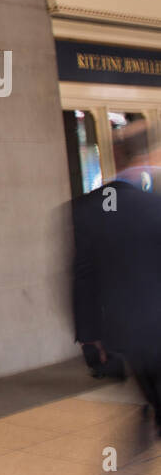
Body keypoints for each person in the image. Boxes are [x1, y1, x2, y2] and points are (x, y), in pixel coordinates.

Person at [71, 120, 161, 433]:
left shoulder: (87, 209)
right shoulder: (156, 204)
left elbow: (82, 279)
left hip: (126, 335)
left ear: (116, 155)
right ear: (149, 156)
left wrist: (90, 337)